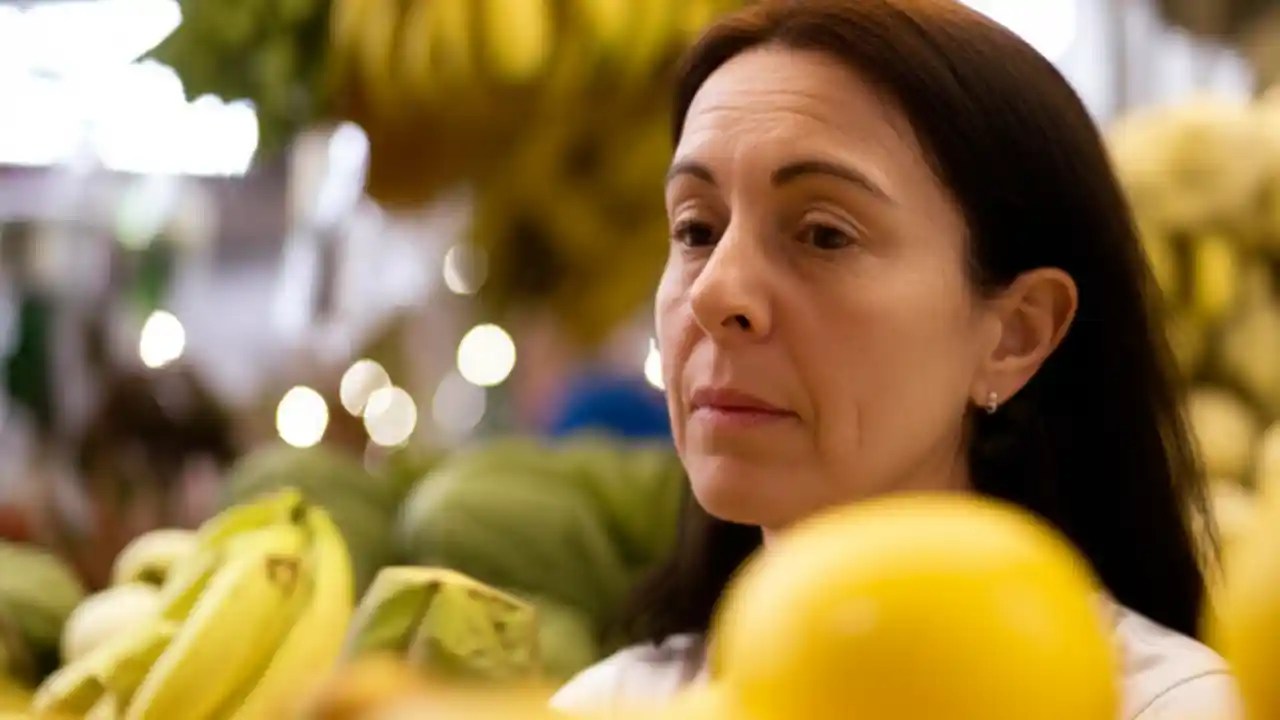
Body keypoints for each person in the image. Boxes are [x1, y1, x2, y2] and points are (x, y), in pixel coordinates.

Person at [550, 1, 1243, 718]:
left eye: (822, 234)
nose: (717, 292)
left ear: (1015, 335)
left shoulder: (1165, 705)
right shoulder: (612, 703)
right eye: (695, 228)